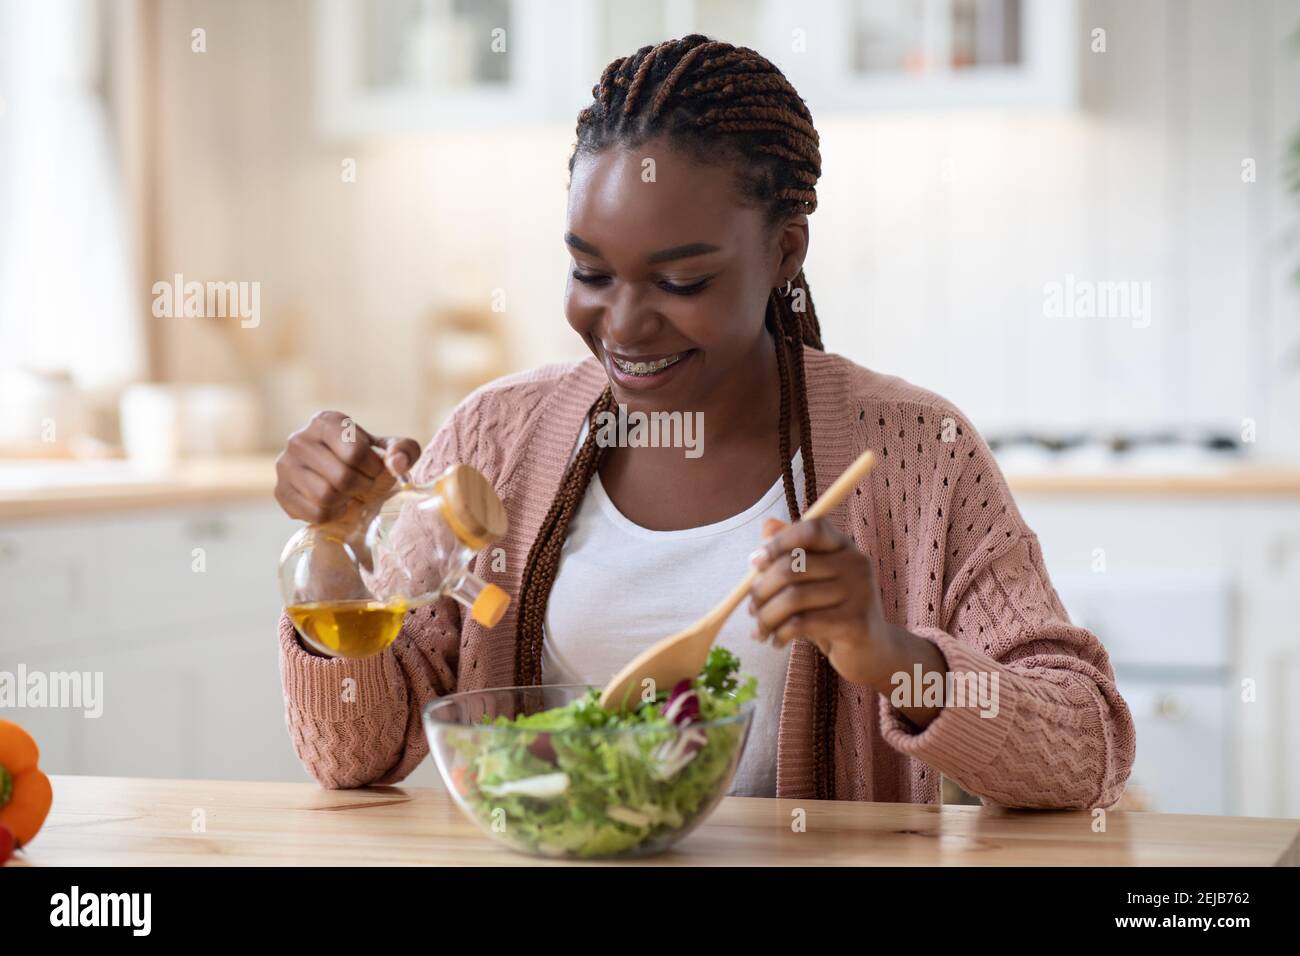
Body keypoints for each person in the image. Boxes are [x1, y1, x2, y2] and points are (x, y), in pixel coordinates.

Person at [273, 35, 1135, 806]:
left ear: (785, 253)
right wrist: (336, 547)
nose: (623, 324)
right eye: (590, 272)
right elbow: (356, 754)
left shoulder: (915, 454)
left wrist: (893, 657)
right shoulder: (497, 441)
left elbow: (1085, 744)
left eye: (680, 283)